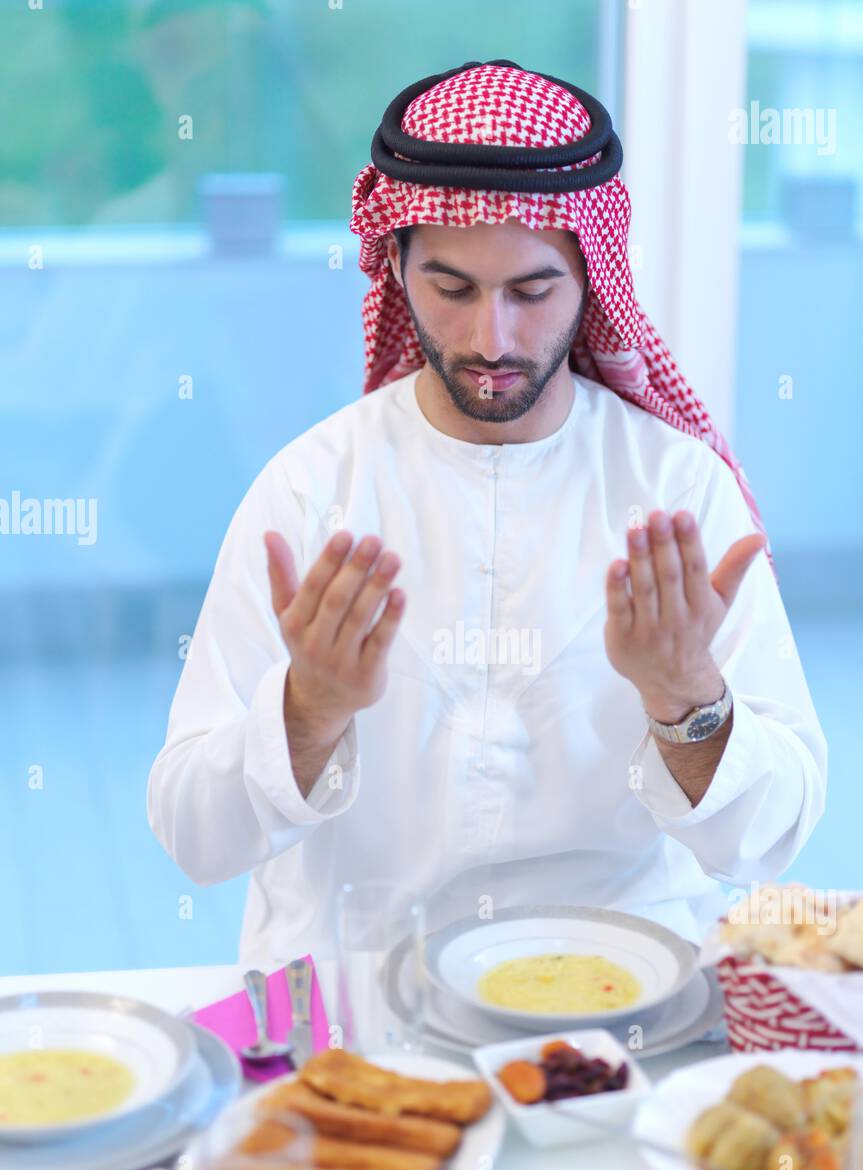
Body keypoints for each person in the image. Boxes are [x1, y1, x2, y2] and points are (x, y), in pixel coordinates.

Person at [147, 60, 826, 966]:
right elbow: (195, 838)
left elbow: (770, 840)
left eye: (532, 292)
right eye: (453, 289)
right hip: (364, 1015)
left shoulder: (677, 489)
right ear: (395, 264)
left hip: (621, 1007)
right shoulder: (312, 490)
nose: (489, 340)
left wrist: (685, 699)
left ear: (593, 276)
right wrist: (306, 714)